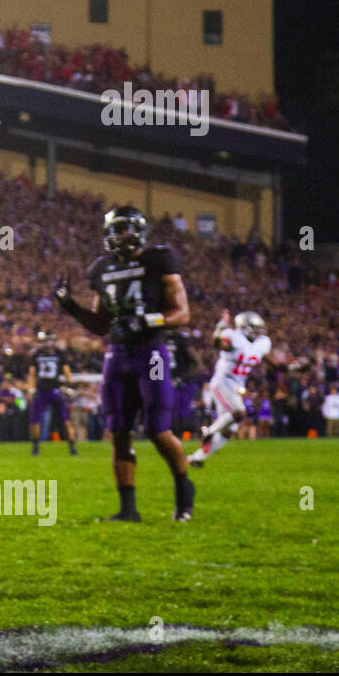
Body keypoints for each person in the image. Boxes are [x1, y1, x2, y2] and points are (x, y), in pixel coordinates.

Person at [54, 206, 196, 522]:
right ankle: (128, 510)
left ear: (139, 231)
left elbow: (182, 313)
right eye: (114, 230)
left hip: (152, 354)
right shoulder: (102, 269)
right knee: (119, 431)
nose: (120, 236)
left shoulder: (159, 260)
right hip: (117, 356)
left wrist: (148, 320)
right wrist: (71, 307)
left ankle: (184, 491)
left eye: (125, 229)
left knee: (159, 431)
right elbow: (101, 324)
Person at [189, 311, 271, 466]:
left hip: (235, 386)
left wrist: (293, 367)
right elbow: (220, 344)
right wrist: (218, 332)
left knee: (229, 430)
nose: (258, 331)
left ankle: (196, 458)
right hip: (222, 382)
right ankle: (209, 432)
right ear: (244, 327)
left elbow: (273, 362)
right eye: (254, 327)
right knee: (238, 412)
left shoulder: (260, 343)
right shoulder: (233, 336)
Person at [27, 332, 77, 456]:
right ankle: (72, 447)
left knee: (37, 420)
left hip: (47, 390)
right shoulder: (58, 353)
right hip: (52, 390)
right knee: (63, 420)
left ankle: (36, 447)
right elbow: (66, 371)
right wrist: (69, 385)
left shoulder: (38, 353)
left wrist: (31, 388)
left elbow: (32, 373)